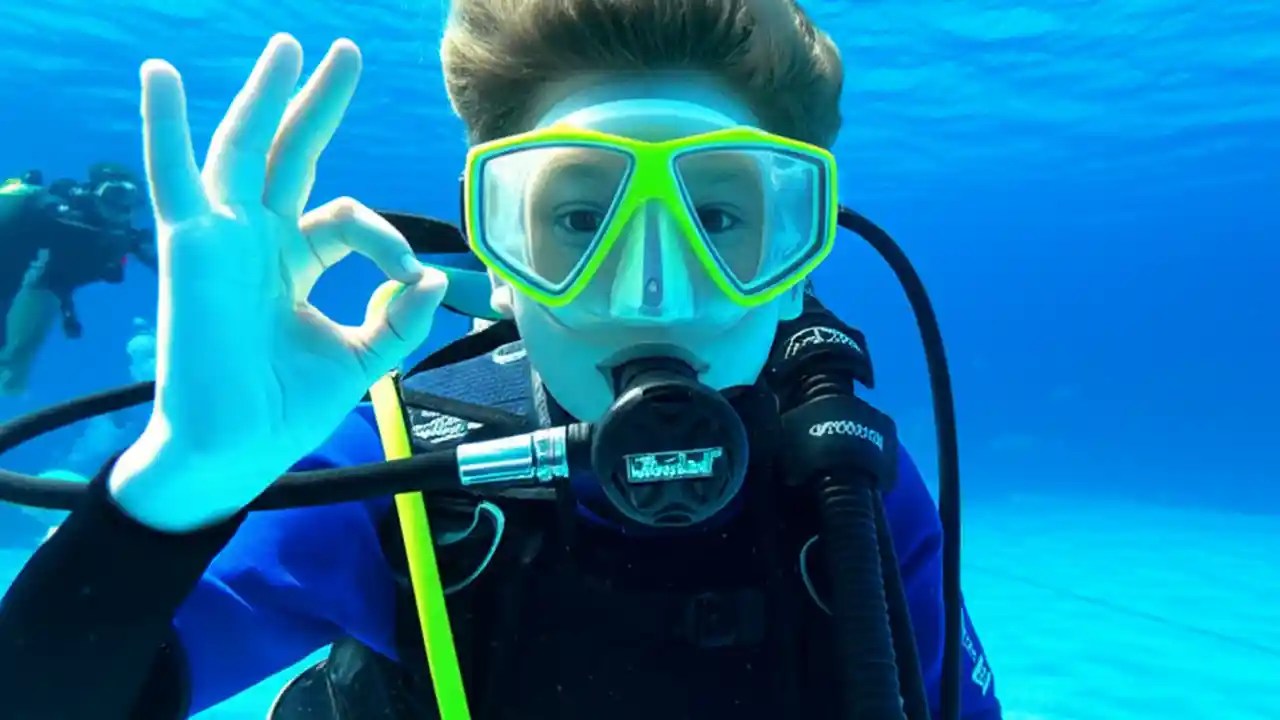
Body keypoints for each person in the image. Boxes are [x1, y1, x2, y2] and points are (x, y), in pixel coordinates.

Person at [0, 2, 1002, 720]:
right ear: (499, 258)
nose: (648, 291)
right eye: (576, 217)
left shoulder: (840, 480)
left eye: (719, 218)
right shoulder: (395, 471)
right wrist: (179, 485)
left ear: (796, 263)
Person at [0, 163, 158, 395]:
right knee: (14, 360)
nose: (122, 207)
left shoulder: (118, 237)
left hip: (44, 285)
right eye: (115, 193)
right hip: (30, 279)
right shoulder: (56, 213)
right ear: (92, 192)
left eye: (131, 199)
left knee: (15, 364)